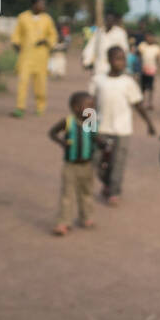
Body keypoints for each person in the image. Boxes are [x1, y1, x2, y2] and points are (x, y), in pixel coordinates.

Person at [91, 45, 154, 206]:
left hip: (122, 129)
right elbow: (89, 107)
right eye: (118, 58)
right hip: (101, 128)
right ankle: (107, 182)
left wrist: (149, 123)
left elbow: (138, 104)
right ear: (109, 60)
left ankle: (114, 191)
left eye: (123, 59)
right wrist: (88, 129)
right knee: (96, 159)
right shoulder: (98, 80)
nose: (122, 62)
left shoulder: (128, 82)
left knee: (117, 161)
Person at [48, 90, 98, 235]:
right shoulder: (67, 122)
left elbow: (95, 137)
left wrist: (103, 142)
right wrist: (62, 142)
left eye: (93, 106)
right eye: (88, 106)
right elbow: (52, 133)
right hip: (70, 166)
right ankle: (63, 222)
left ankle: (86, 217)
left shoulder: (90, 121)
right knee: (67, 194)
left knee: (86, 192)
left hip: (87, 165)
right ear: (76, 108)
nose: (92, 109)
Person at [10, 0, 58, 116]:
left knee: (40, 84)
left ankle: (40, 107)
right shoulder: (23, 17)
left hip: (41, 56)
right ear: (33, 5)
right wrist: (16, 44)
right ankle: (20, 107)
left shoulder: (47, 19)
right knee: (23, 82)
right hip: (26, 56)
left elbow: (53, 36)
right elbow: (16, 34)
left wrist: (46, 41)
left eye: (44, 5)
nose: (42, 7)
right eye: (40, 4)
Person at [137, 32, 160, 108]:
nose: (149, 39)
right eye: (148, 37)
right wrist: (139, 67)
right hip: (143, 69)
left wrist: (159, 67)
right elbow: (139, 57)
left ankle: (150, 103)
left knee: (151, 88)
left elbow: (158, 59)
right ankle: (142, 101)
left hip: (152, 70)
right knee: (142, 87)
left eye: (151, 37)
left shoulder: (156, 48)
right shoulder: (142, 46)